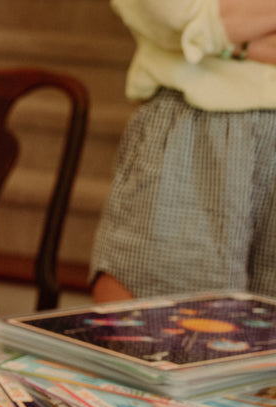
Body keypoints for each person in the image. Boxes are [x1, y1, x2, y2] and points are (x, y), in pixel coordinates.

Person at [90, 0, 276, 303]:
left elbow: (204, 22)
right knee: (159, 334)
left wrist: (220, 40)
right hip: (196, 128)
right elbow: (176, 15)